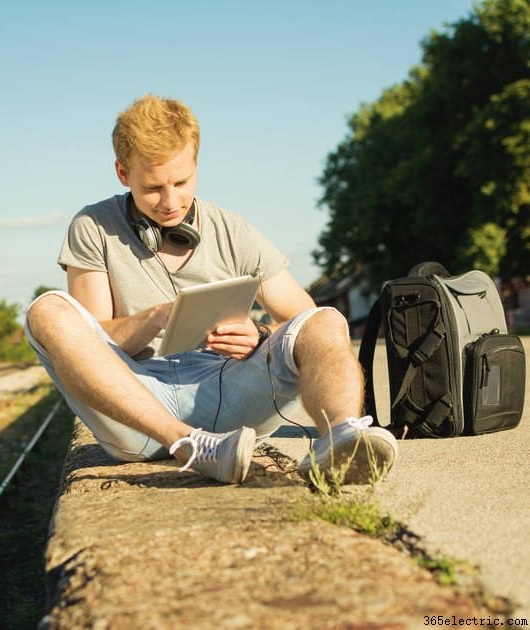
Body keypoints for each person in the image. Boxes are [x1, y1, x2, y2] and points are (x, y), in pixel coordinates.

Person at [25, 94, 398, 485]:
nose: (171, 202)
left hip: (229, 389)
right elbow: (92, 341)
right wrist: (154, 317)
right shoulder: (92, 226)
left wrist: (259, 337)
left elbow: (301, 318)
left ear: (196, 165)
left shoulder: (231, 228)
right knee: (47, 310)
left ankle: (342, 437)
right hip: (137, 405)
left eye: (182, 182)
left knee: (326, 319)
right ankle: (187, 445)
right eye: (153, 188)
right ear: (122, 173)